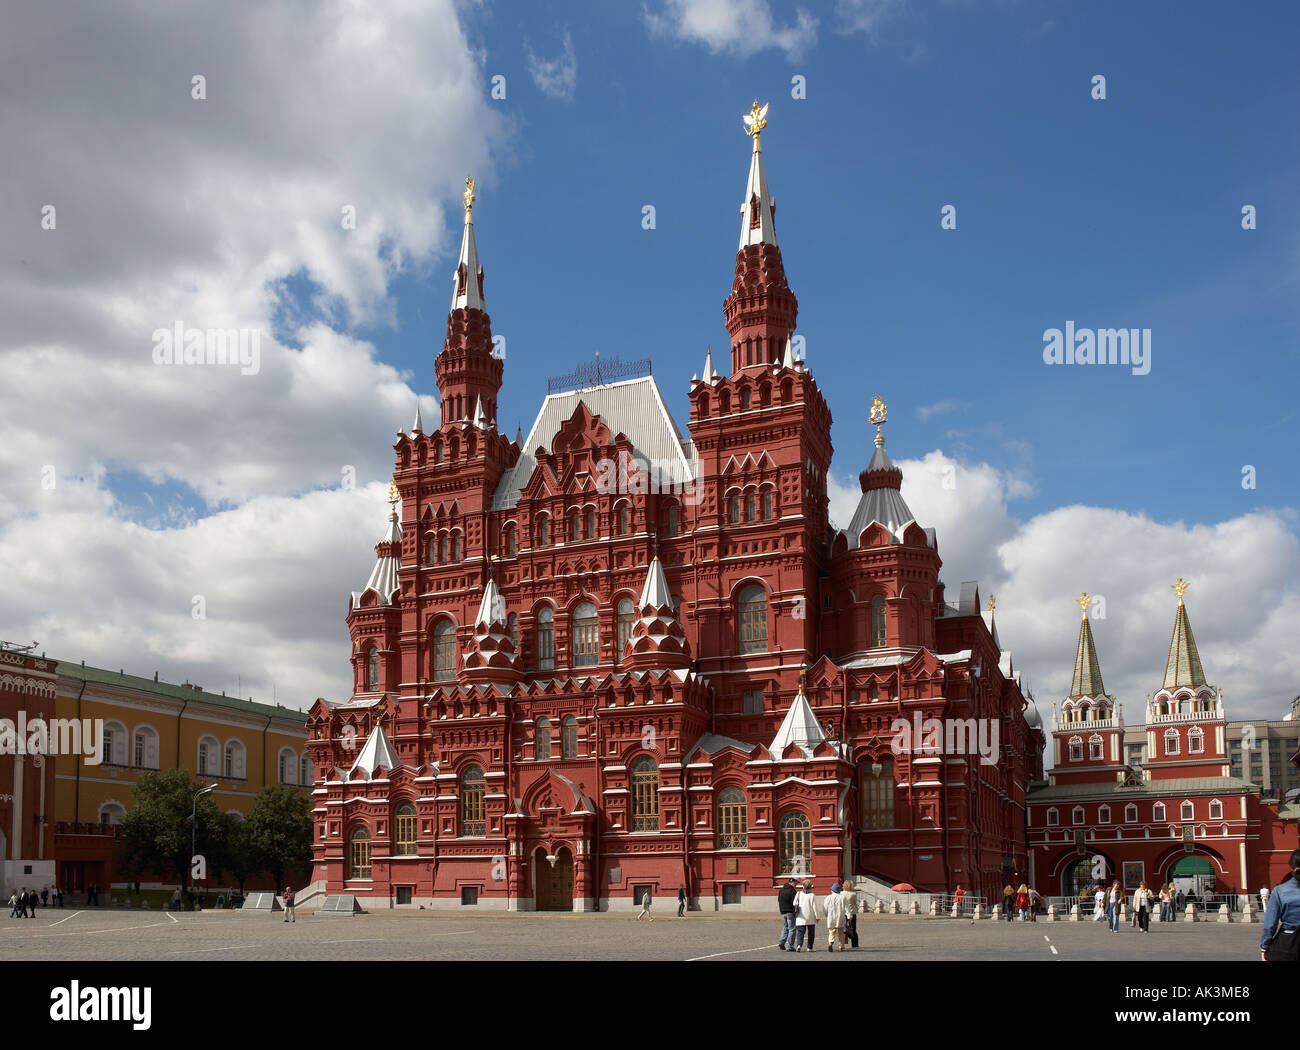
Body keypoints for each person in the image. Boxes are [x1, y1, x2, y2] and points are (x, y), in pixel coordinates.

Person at [1260, 848, 1300, 961]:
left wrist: (1264, 947)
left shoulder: (1280, 891)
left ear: (1291, 866)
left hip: (1288, 945)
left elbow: (1270, 925)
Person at [794, 880, 820, 951]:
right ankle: (809, 947)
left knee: (800, 932)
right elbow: (815, 907)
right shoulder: (812, 895)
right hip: (810, 916)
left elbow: (794, 903)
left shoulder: (798, 893)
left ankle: (799, 945)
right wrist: (817, 917)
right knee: (811, 933)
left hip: (800, 916)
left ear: (803, 886)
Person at [823, 883, 847, 952]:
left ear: (832, 890)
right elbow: (847, 908)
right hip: (840, 917)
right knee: (841, 933)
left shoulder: (828, 897)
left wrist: (826, 914)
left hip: (831, 917)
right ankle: (841, 946)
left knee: (831, 932)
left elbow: (824, 907)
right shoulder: (843, 897)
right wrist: (849, 915)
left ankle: (830, 943)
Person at [777, 877, 799, 950]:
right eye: (796, 883)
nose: (796, 885)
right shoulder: (792, 891)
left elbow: (778, 900)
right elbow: (795, 902)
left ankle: (782, 942)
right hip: (790, 911)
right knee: (792, 928)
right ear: (792, 883)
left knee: (785, 927)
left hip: (783, 911)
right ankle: (790, 946)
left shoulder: (781, 890)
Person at [841, 880, 859, 948]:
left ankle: (843, 943)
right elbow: (854, 903)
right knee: (853, 928)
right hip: (852, 912)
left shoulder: (841, 893)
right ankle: (854, 944)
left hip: (843, 913)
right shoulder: (853, 894)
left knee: (843, 928)